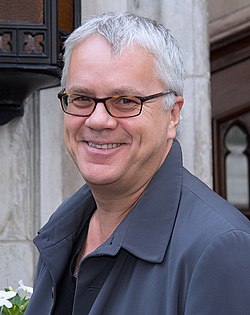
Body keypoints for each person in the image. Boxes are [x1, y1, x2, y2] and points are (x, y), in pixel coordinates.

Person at [25, 12, 250, 315]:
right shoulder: (63, 230)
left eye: (126, 101)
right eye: (81, 98)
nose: (98, 120)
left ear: (173, 115)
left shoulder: (221, 248)